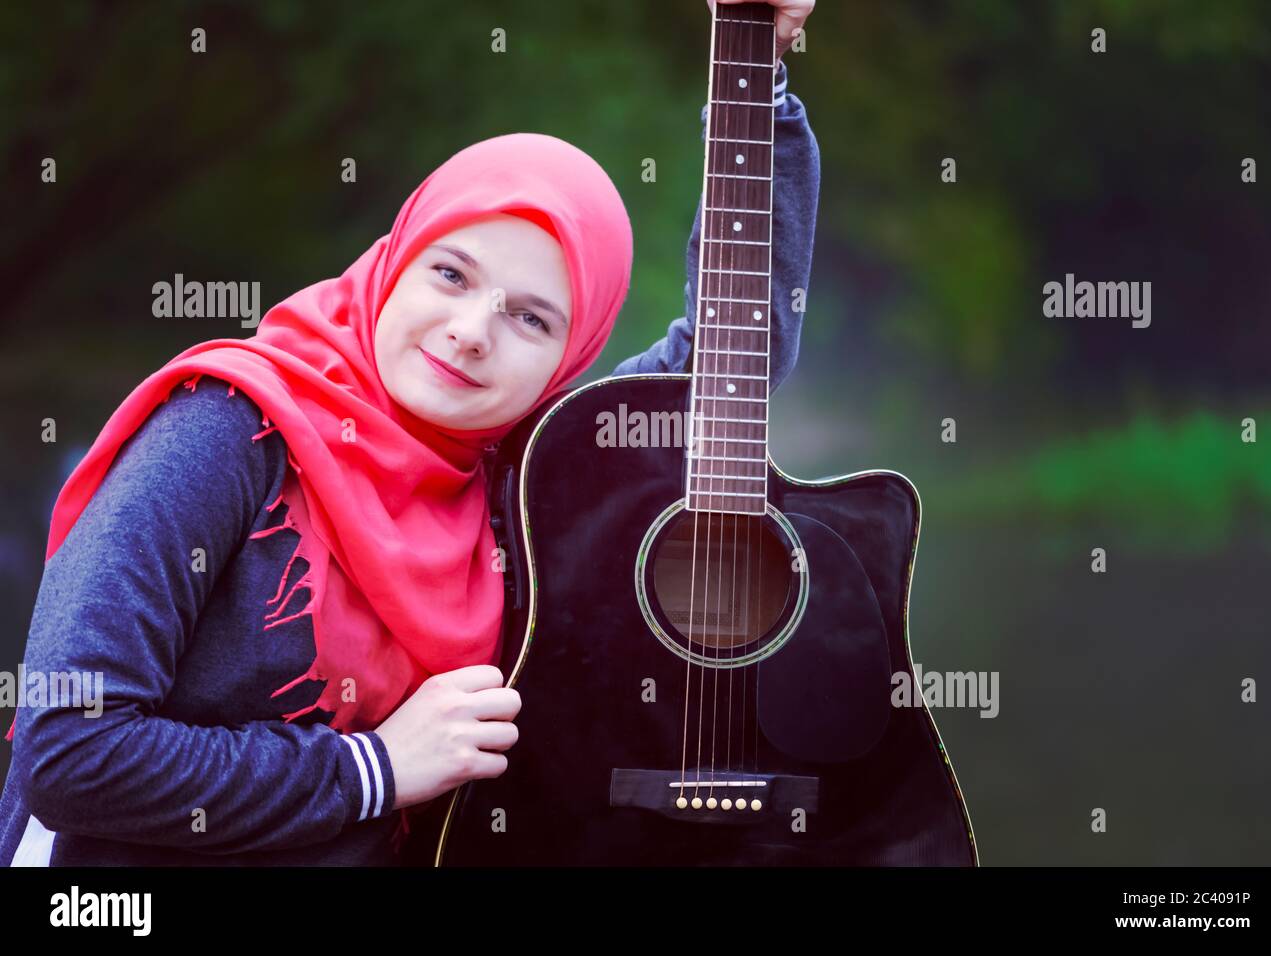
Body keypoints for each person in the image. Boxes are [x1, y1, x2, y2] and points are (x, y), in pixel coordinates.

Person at [0, 51, 820, 867]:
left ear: (569, 360)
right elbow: (70, 754)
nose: (471, 329)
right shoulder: (227, 430)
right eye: (451, 273)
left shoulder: (529, 474)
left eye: (531, 320)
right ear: (400, 259)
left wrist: (759, 73)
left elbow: (732, 362)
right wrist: (376, 768)